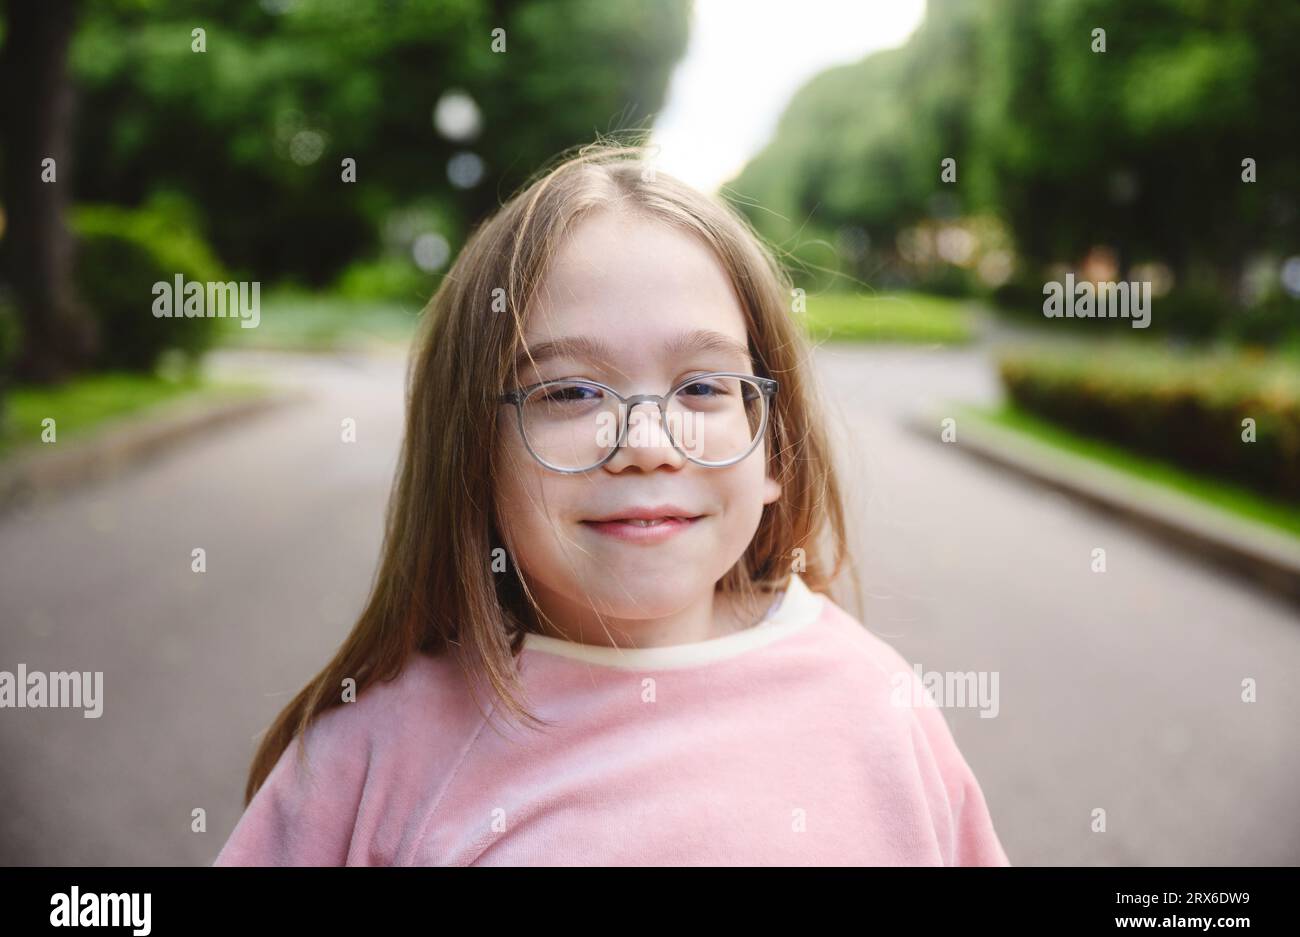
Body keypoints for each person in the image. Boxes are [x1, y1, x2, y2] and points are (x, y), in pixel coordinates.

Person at [213, 140, 1011, 866]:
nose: (648, 443)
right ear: (468, 457)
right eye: (567, 391)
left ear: (774, 446)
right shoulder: (369, 755)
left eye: (702, 385)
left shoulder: (876, 705)